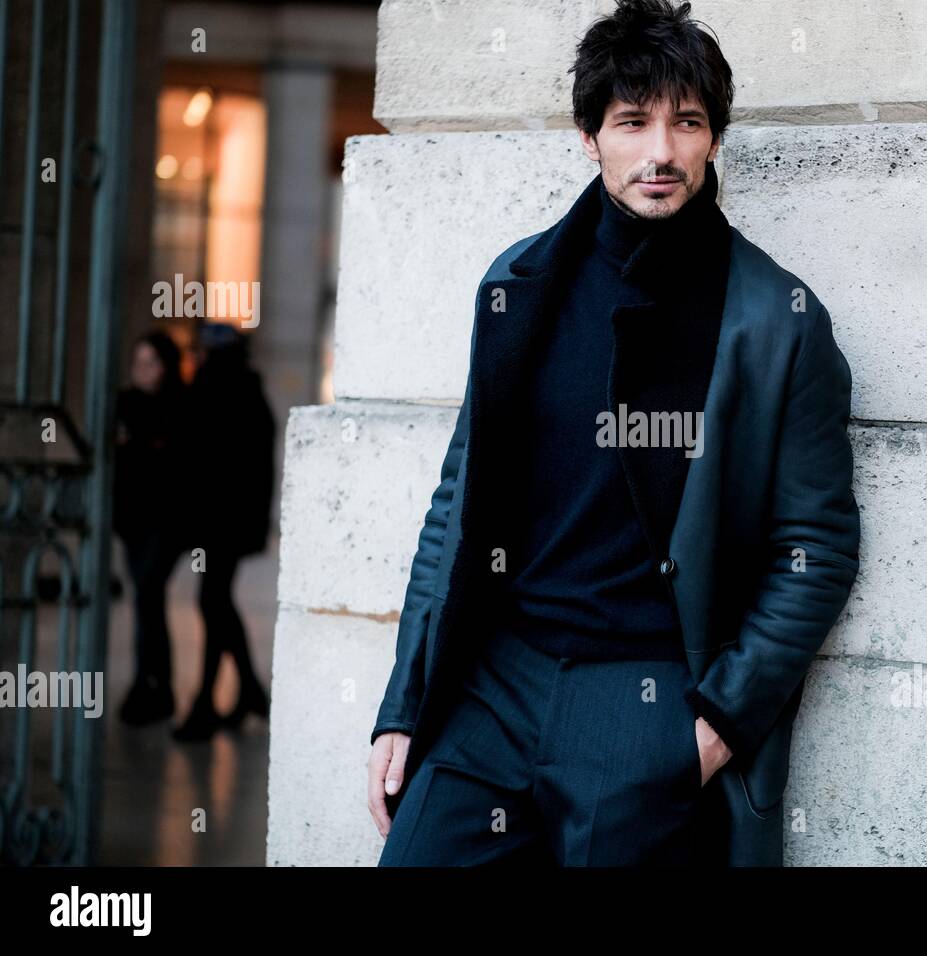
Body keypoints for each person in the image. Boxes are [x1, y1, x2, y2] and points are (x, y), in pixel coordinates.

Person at [368, 0, 859, 865]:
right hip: (493, 685)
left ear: (713, 138)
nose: (661, 152)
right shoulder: (519, 284)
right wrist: (405, 704)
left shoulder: (778, 322)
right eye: (633, 123)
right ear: (591, 136)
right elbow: (458, 502)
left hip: (641, 702)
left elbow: (815, 547)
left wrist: (711, 727)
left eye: (687, 123)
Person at [172, 321, 274, 742]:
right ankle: (247, 691)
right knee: (216, 602)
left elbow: (201, 458)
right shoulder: (247, 388)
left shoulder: (217, 386)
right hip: (230, 522)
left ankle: (210, 704)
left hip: (219, 522)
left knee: (212, 601)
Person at [113, 330, 190, 725]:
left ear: (166, 366)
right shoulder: (123, 403)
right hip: (131, 522)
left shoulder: (180, 405)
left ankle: (152, 685)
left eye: (151, 363)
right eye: (137, 363)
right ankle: (155, 685)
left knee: (147, 594)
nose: (142, 371)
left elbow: (177, 464)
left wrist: (139, 444)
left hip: (166, 523)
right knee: (147, 600)